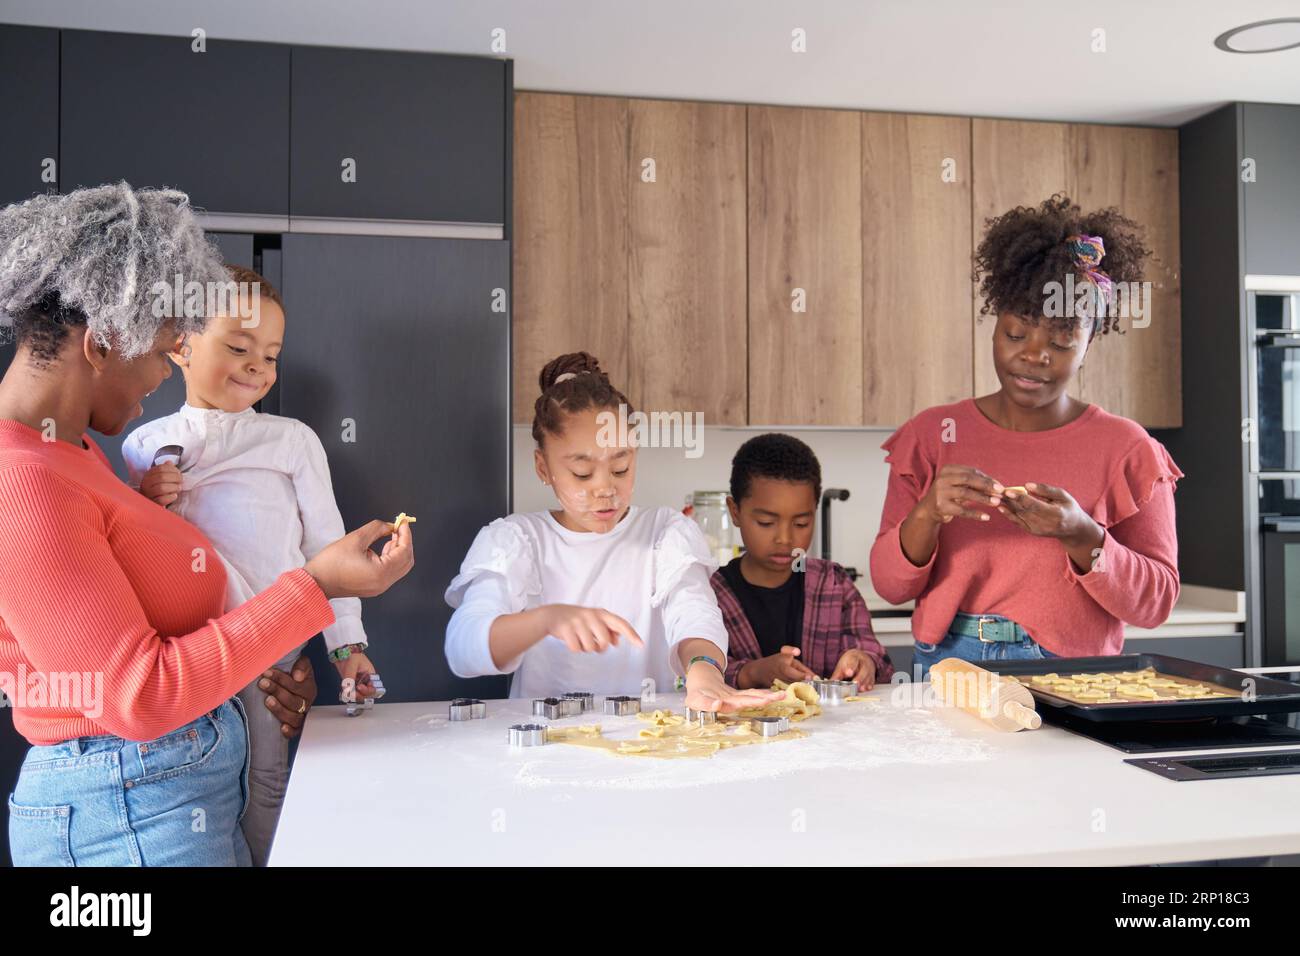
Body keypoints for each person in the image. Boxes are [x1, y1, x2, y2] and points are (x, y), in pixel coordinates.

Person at [0, 183, 413, 865]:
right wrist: (312, 588)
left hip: (170, 795)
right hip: (129, 813)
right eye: (165, 350)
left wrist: (264, 683)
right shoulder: (23, 478)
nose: (164, 371)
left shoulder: (74, 454)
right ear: (103, 343)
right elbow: (140, 694)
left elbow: (162, 636)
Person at [869, 195, 1181, 679]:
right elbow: (890, 586)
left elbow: (1155, 603)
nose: (1034, 357)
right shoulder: (932, 434)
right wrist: (929, 512)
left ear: (1088, 344)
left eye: (1060, 343)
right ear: (995, 326)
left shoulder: (1128, 449)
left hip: (1073, 673)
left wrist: (1082, 534)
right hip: (950, 665)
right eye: (1017, 335)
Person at [445, 351, 783, 713]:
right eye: (582, 473)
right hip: (547, 745)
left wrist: (705, 672)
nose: (605, 488)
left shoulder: (666, 532)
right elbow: (463, 650)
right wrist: (545, 619)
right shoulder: (516, 540)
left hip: (650, 739)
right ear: (543, 467)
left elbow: (694, 614)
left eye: (620, 468)